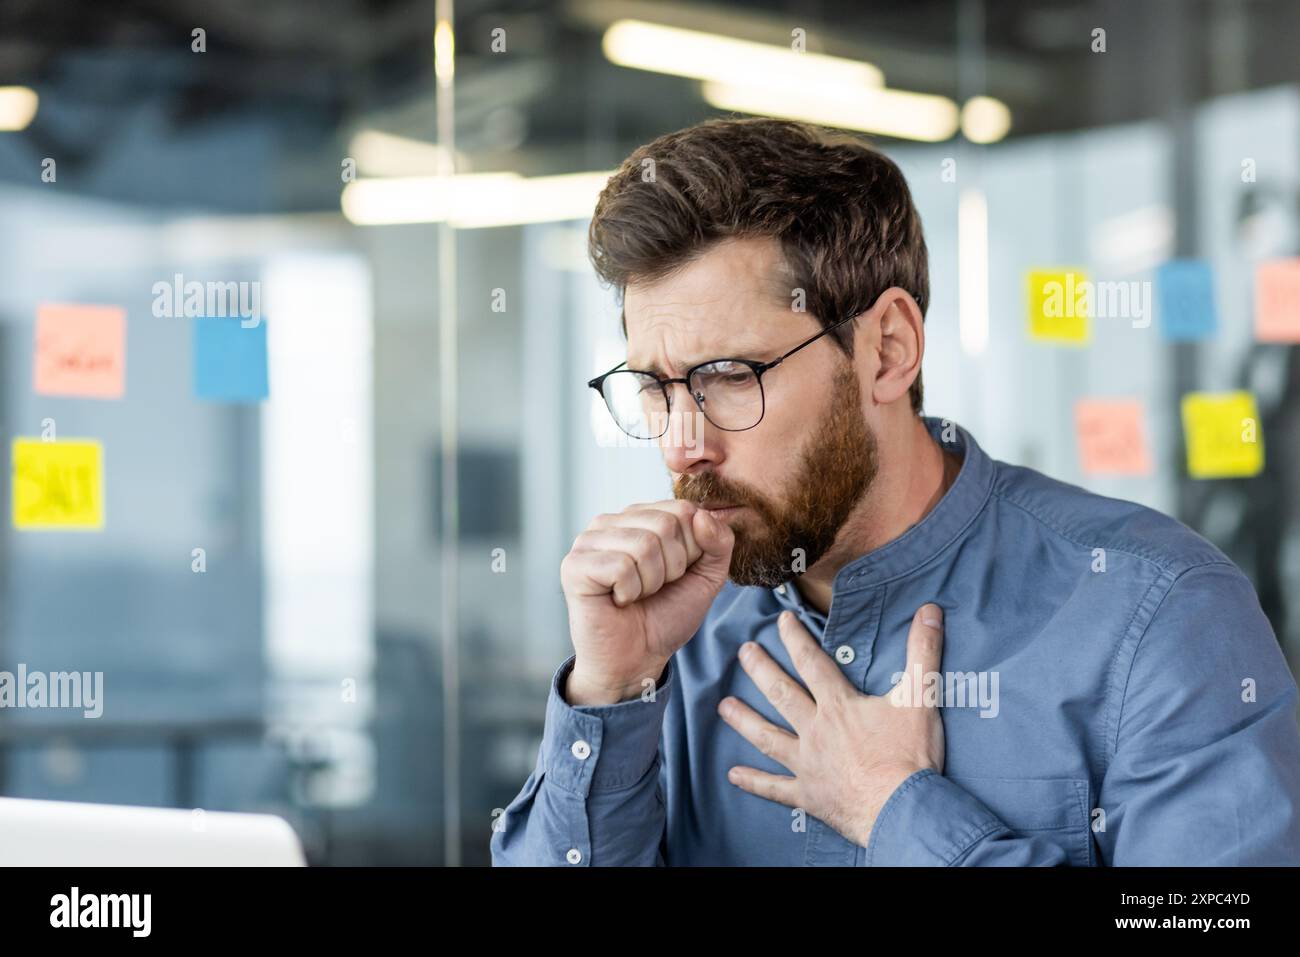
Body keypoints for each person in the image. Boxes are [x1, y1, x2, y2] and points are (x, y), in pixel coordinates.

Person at [490, 117, 1300, 865]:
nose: (682, 443)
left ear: (887, 349)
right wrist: (608, 692)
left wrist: (899, 811)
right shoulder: (679, 642)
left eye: (729, 377)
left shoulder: (1158, 615)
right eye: (656, 388)